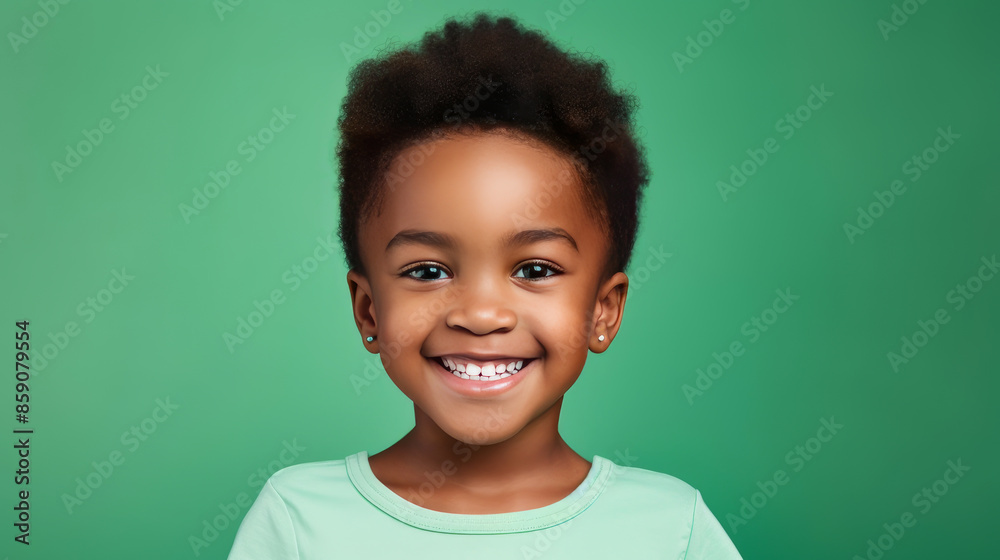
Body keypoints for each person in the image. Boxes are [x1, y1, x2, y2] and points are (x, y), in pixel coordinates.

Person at [228, 12, 743, 559]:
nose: (480, 314)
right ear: (368, 310)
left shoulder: (670, 528)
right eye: (428, 271)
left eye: (535, 270)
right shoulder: (297, 520)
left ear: (604, 310)